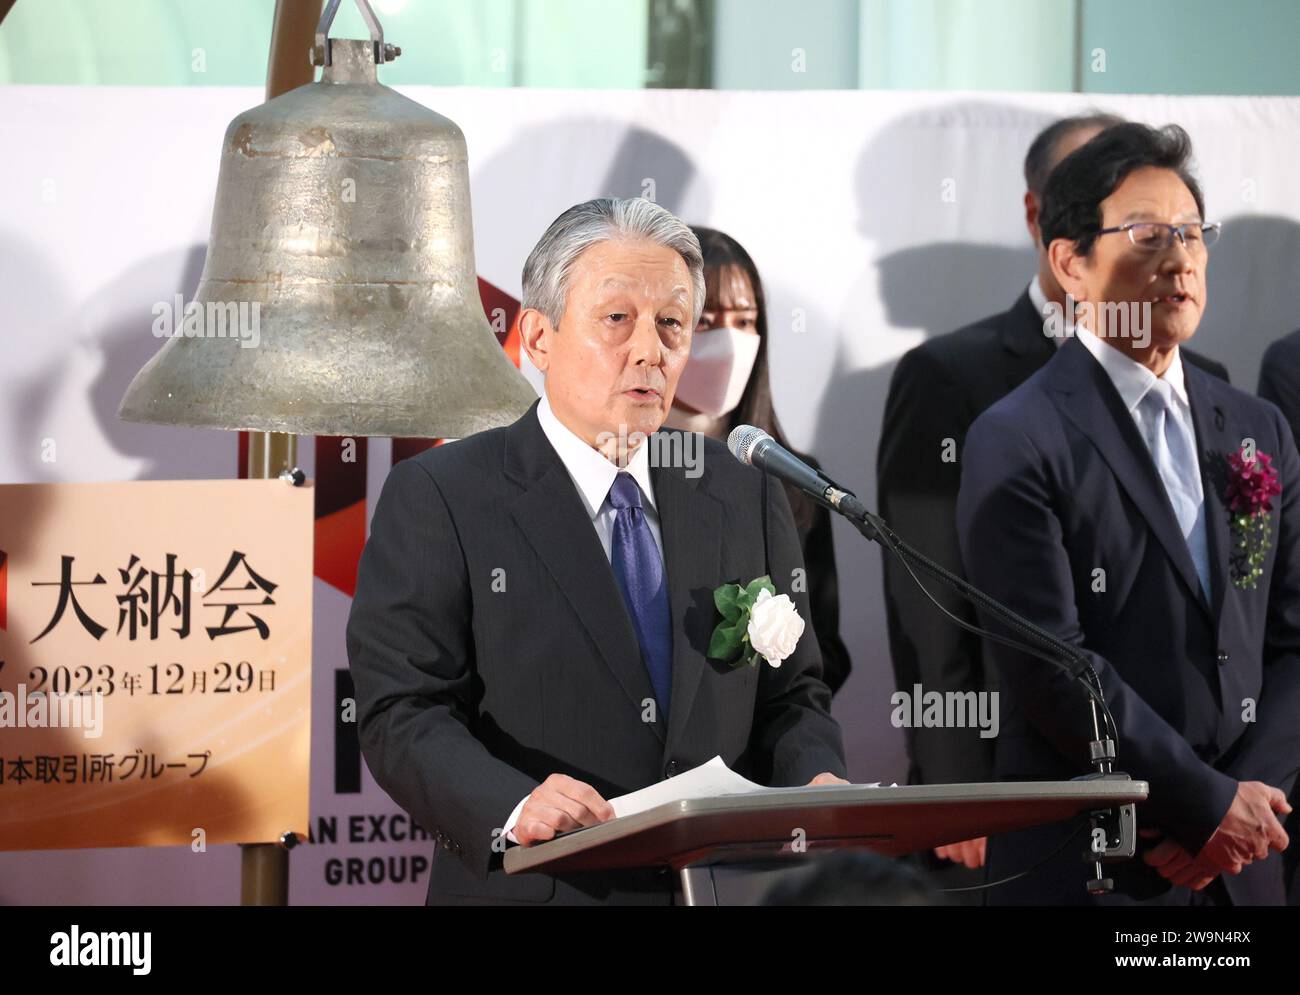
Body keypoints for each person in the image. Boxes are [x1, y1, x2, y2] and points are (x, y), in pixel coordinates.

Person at [347, 197, 848, 906]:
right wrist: (516, 806)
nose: (650, 350)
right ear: (540, 337)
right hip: (543, 883)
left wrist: (817, 778)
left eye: (673, 323)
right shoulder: (443, 495)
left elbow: (793, 695)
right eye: (617, 320)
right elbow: (402, 709)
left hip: (717, 887)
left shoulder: (738, 491)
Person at [876, 113, 1230, 892]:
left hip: (1206, 809)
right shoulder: (951, 377)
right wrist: (961, 789)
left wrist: (1219, 797)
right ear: (1047, 221)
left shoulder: (1214, 385)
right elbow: (929, 597)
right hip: (1032, 794)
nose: (1172, 254)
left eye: (1186, 230)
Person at [957, 123, 1298, 905]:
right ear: (1071, 262)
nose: (1180, 259)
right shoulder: (1016, 436)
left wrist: (1247, 799)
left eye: (1192, 234)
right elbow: (1054, 667)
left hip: (1246, 863)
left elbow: (1293, 634)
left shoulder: (1257, 428)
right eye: (1148, 235)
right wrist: (1201, 804)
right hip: (1099, 865)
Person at [662, 225, 851, 694]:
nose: (730, 342)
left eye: (745, 321)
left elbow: (825, 651)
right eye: (706, 321)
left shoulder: (796, 479)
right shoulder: (617, 473)